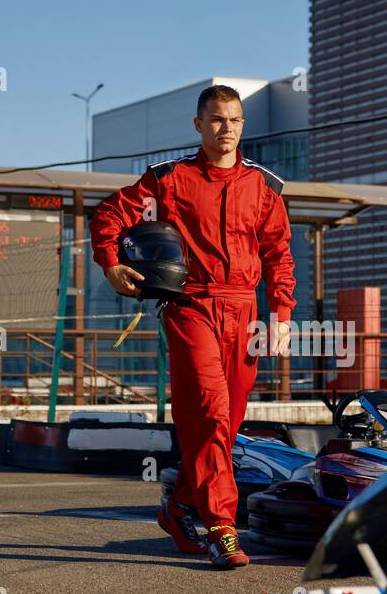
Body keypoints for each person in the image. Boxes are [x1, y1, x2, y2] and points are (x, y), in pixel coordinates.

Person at [89, 85, 296, 568]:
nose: (227, 129)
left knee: (226, 424)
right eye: (218, 120)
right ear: (198, 125)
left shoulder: (264, 187)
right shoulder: (170, 178)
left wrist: (281, 312)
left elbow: (279, 253)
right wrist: (111, 264)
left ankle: (180, 505)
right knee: (209, 410)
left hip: (244, 312)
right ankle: (222, 525)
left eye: (235, 121)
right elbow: (109, 214)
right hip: (192, 307)